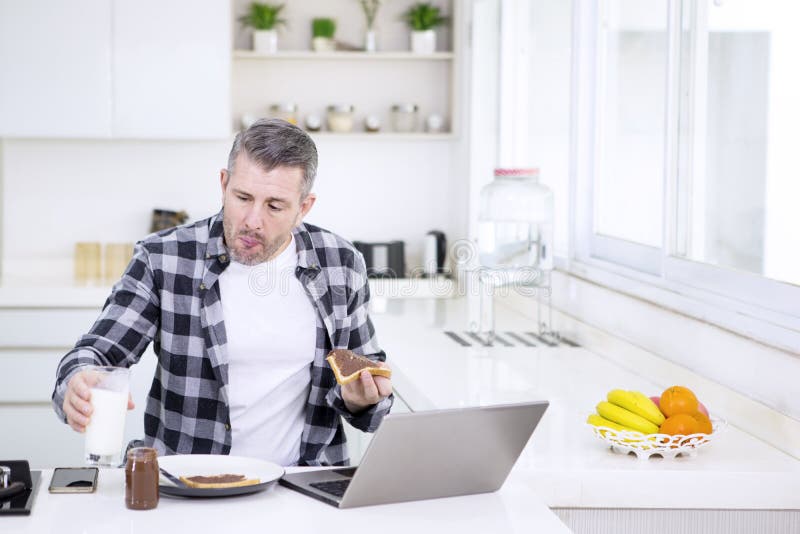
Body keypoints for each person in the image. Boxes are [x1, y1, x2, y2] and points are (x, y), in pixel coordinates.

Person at [51, 119, 393, 466]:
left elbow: (369, 382)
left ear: (304, 207)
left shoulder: (341, 263)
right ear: (224, 183)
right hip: (189, 484)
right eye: (242, 197)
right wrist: (77, 382)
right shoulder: (165, 259)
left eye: (274, 206)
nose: (252, 220)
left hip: (300, 485)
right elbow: (94, 354)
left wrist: (362, 398)